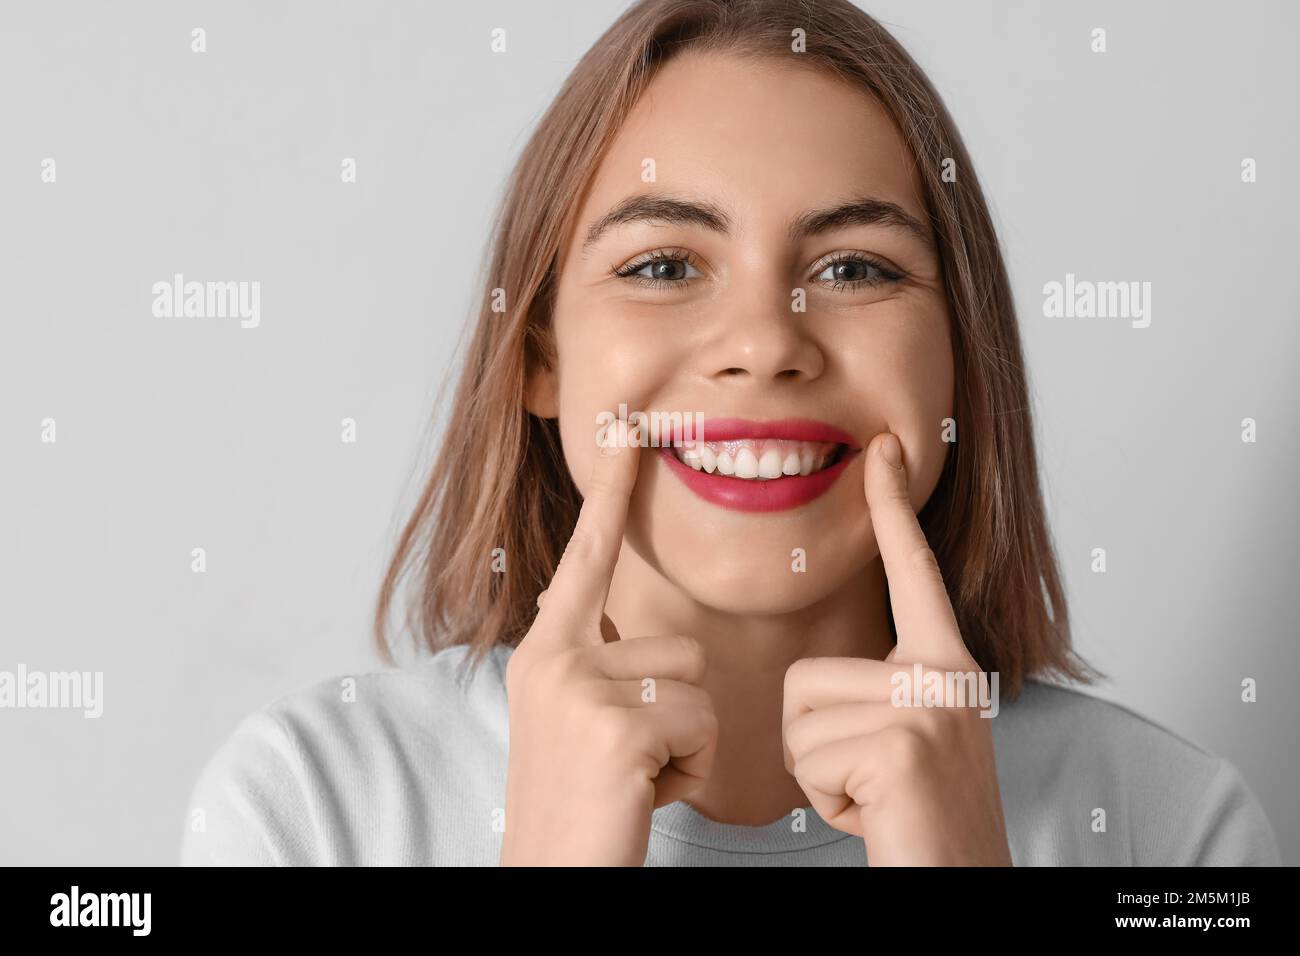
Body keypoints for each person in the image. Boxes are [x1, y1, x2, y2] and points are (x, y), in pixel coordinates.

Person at [180, 0, 1279, 866]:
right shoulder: (304, 812)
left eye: (853, 268)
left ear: (957, 358)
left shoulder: (1171, 828)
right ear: (540, 358)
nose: (763, 342)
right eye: (662, 265)